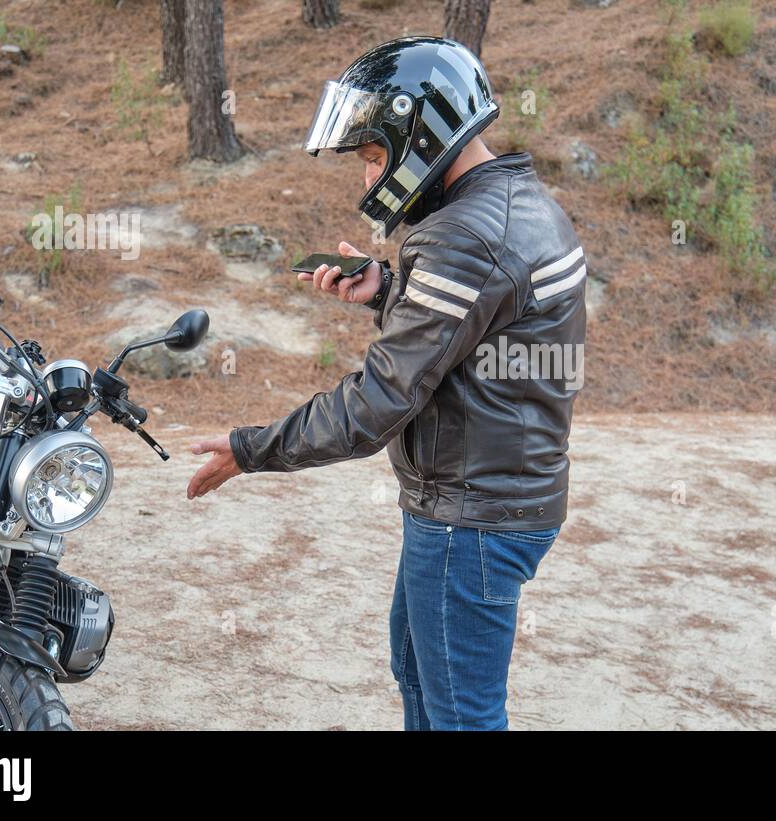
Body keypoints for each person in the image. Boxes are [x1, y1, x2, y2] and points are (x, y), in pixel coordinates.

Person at [186, 37, 588, 730]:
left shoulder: (465, 236)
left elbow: (375, 404)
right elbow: (482, 325)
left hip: (471, 516)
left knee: (459, 714)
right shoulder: (518, 199)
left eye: (374, 156)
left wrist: (249, 448)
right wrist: (389, 290)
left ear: (421, 134)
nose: (368, 178)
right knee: (422, 680)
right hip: (495, 498)